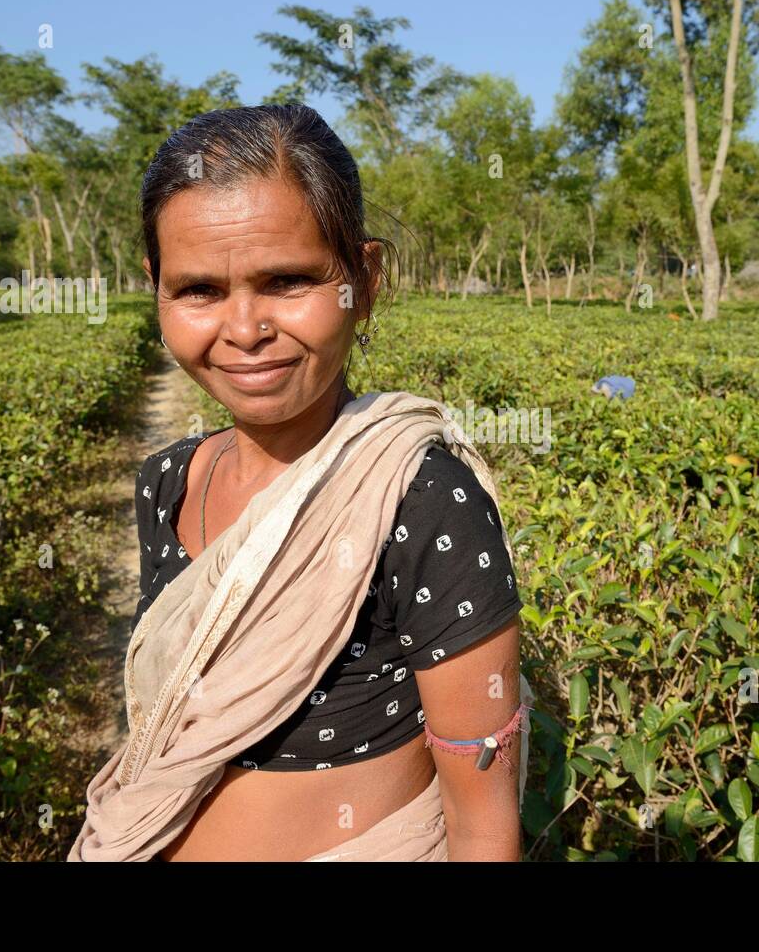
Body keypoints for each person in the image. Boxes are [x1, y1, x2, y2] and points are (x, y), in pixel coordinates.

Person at [68, 104, 532, 862]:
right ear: (155, 289)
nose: (245, 328)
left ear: (365, 278)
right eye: (198, 291)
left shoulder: (420, 498)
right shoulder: (167, 482)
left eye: (287, 281)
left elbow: (482, 823)